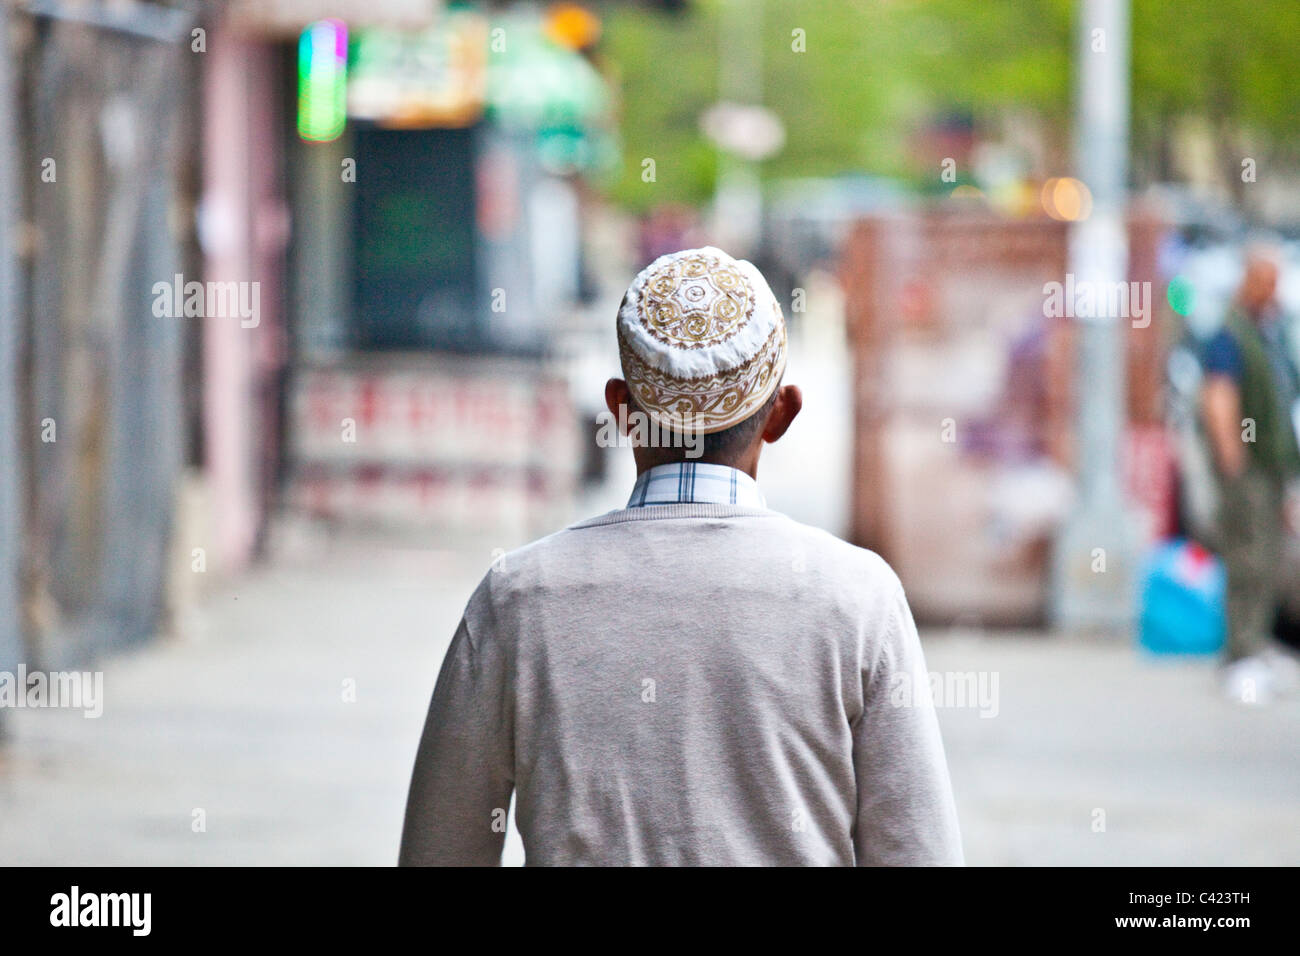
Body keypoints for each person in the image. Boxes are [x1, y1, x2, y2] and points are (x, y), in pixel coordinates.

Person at [398, 247, 963, 866]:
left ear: (620, 411)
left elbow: (439, 849)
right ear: (782, 413)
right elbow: (918, 849)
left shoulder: (517, 598)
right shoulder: (857, 598)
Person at [1200, 244, 1300, 703]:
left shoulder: (1270, 332)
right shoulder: (1230, 334)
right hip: (1248, 468)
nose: (1273, 288)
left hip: (1273, 466)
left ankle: (1254, 649)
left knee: (1269, 559)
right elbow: (1219, 397)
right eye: (1267, 278)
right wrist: (1232, 460)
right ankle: (1240, 656)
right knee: (1248, 559)